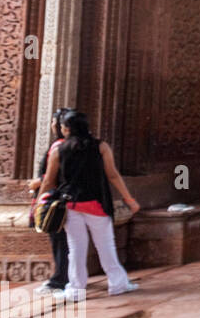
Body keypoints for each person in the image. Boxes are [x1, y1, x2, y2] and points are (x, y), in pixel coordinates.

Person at [37, 112, 141, 301]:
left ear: (67, 128)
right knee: (106, 245)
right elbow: (113, 175)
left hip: (71, 205)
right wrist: (129, 200)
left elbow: (49, 181)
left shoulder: (59, 150)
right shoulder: (100, 146)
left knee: (76, 247)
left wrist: (40, 203)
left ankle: (76, 289)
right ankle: (118, 284)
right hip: (96, 204)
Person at [29, 107, 74, 296]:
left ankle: (59, 279)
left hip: (55, 199)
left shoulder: (60, 146)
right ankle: (68, 277)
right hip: (64, 198)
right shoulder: (71, 145)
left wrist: (39, 184)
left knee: (59, 239)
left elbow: (54, 175)